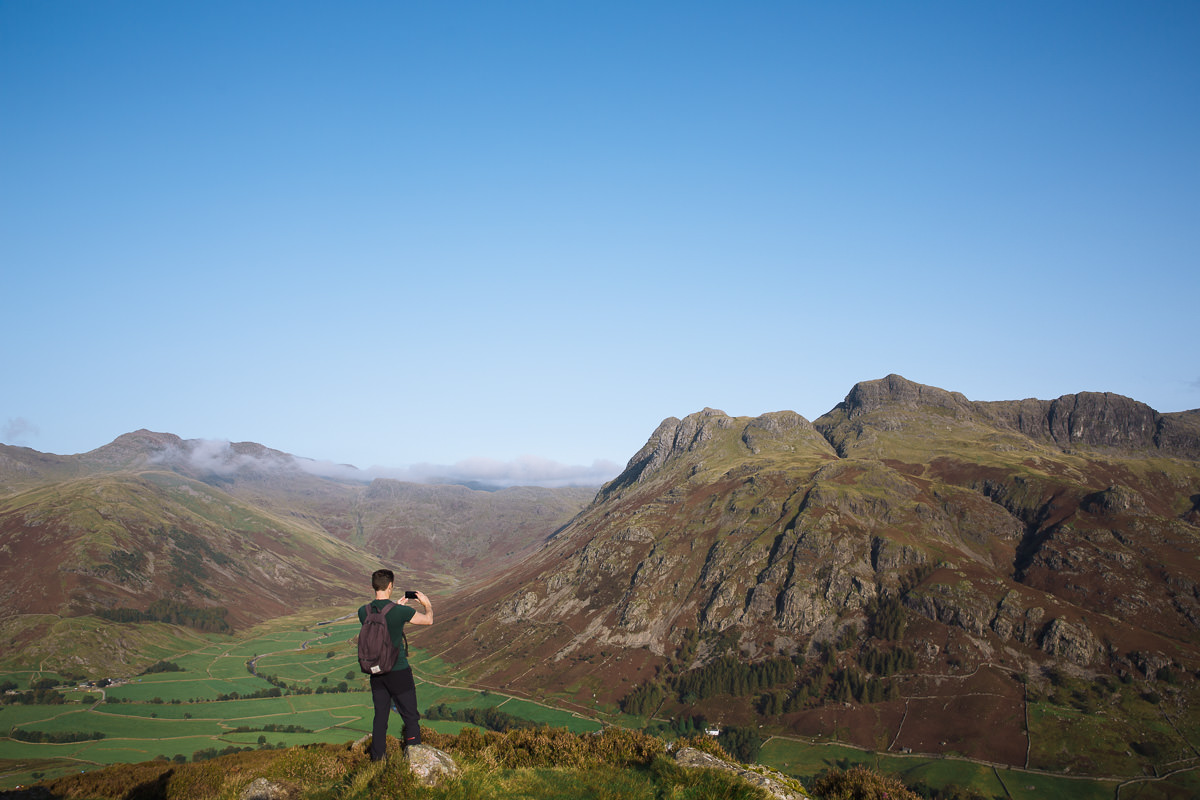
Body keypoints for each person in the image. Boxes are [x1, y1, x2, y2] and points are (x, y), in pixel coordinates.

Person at [358, 568, 433, 761]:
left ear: (373, 586)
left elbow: (382, 620)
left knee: (380, 718)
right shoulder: (401, 612)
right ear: (391, 586)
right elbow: (428, 621)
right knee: (410, 716)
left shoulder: (363, 611)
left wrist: (394, 607)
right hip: (398, 671)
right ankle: (414, 759)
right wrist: (427, 605)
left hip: (376, 673)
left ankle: (377, 761)